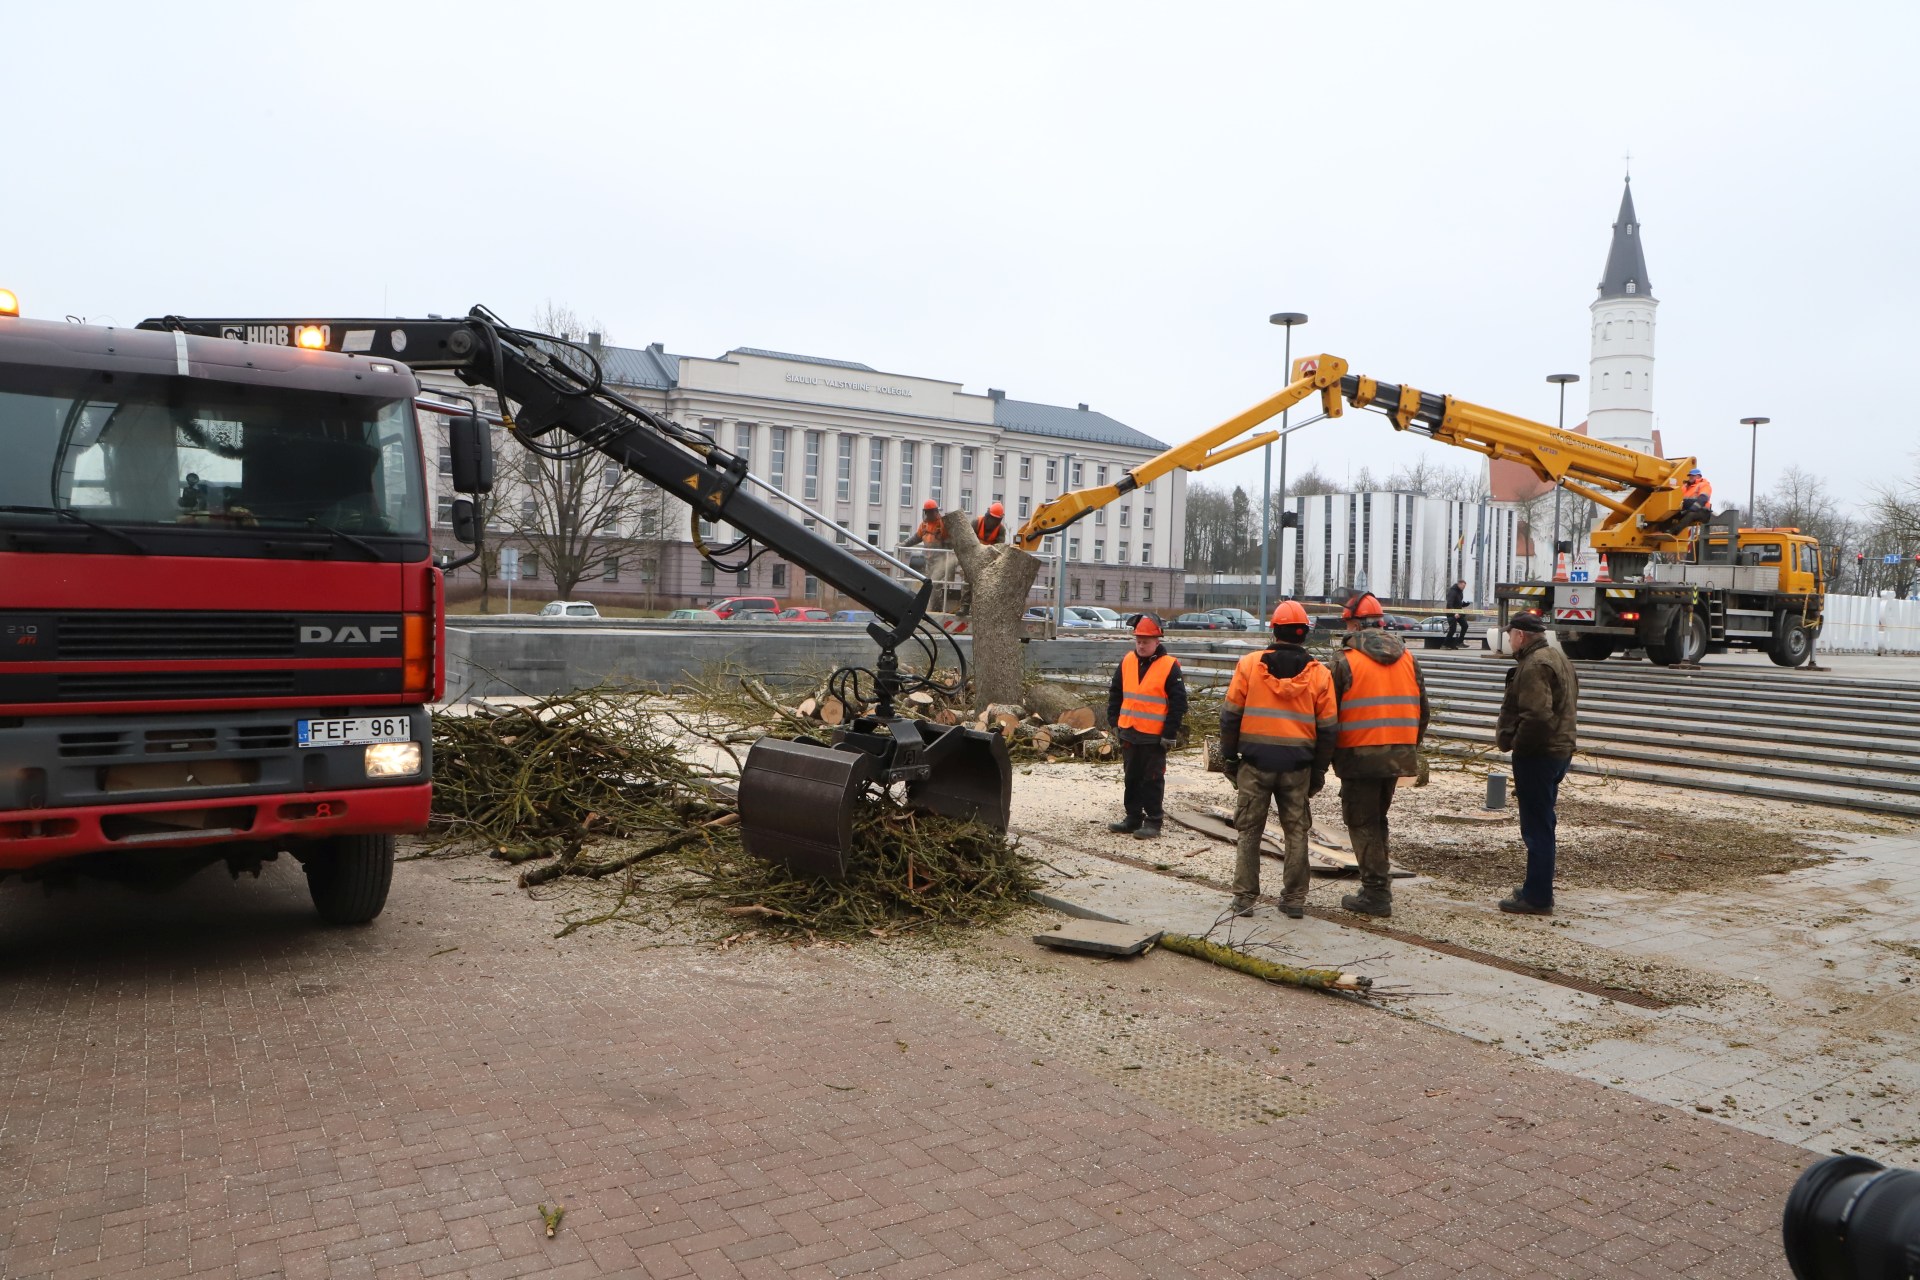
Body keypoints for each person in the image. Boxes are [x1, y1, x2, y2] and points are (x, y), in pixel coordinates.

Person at [1218, 601, 1337, 918]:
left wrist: (1229, 758)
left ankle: (1244, 898)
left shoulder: (1249, 665)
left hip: (1255, 763)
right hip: (1298, 767)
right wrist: (1319, 770)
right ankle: (1294, 899)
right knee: (1296, 832)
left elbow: (1230, 716)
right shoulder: (1320, 674)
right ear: (1305, 634)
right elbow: (1328, 730)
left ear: (1274, 631)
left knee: (1249, 831)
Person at [1329, 591, 1429, 917]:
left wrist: (1325, 758)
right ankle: (1378, 884)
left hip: (1358, 755)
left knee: (1362, 821)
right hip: (1397, 755)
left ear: (1355, 624)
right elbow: (1423, 711)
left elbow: (1327, 715)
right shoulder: (1408, 658)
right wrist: (1408, 746)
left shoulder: (1344, 661)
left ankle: (1375, 893)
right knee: (1377, 818)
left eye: (1347, 623)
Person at [1494, 612, 1579, 915]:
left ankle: (1538, 897)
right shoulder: (1558, 657)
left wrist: (1520, 746)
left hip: (1539, 754)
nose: (1508, 640)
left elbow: (1537, 716)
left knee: (1537, 827)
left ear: (1520, 635)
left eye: (1510, 635)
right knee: (1543, 821)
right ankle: (1536, 887)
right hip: (1559, 750)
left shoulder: (1534, 665)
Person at [1106, 614, 1186, 840]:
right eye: (1138, 641)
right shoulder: (1127, 661)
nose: (1141, 645)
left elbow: (1179, 704)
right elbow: (1116, 692)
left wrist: (1169, 733)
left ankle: (1153, 821)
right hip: (1129, 731)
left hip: (1154, 735)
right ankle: (1132, 817)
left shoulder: (1169, 666)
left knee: (1152, 779)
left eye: (1146, 642)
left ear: (1157, 641)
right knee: (1131, 778)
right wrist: (1114, 721)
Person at [1444, 579, 1469, 649]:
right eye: (1463, 586)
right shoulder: (1452, 591)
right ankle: (1445, 644)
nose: (1464, 587)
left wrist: (1464, 604)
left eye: (1465, 586)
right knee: (1452, 629)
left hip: (1459, 612)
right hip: (1451, 614)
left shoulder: (1460, 592)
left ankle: (1460, 642)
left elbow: (1458, 603)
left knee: (1465, 625)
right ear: (1459, 584)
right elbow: (1449, 603)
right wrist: (1454, 613)